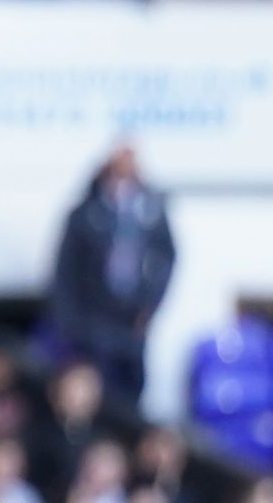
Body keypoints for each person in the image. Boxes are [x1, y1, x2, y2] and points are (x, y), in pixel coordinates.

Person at [43, 143, 176, 416]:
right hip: (91, 326)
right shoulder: (85, 215)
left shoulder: (149, 213)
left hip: (130, 323)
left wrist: (149, 306)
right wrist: (72, 323)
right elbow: (64, 274)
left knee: (130, 396)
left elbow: (168, 257)